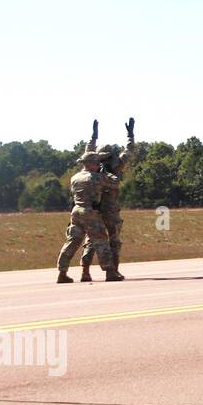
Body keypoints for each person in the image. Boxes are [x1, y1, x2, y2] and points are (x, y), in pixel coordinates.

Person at [80, 117, 137, 281]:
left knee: (91, 239)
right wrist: (130, 135)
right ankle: (113, 271)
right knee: (114, 239)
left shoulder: (93, 165)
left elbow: (88, 152)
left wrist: (93, 136)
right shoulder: (116, 165)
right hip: (110, 207)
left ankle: (85, 272)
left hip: (94, 207)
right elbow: (129, 151)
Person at [56, 147, 122, 284]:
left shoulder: (75, 178)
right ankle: (110, 272)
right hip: (90, 212)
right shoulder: (96, 177)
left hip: (76, 211)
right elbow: (115, 183)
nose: (98, 165)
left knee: (72, 242)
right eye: (97, 163)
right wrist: (105, 172)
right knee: (101, 241)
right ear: (92, 164)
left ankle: (62, 272)